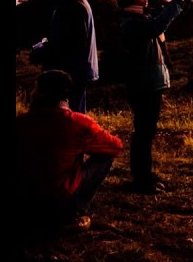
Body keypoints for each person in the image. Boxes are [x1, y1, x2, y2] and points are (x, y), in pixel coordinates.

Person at [16, 70, 123, 233]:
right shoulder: (78, 123)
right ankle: (74, 212)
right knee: (105, 156)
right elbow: (116, 146)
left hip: (25, 201)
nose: (32, 92)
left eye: (35, 88)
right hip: (60, 204)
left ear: (42, 93)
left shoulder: (22, 123)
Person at [115, 0, 193, 194]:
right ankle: (141, 178)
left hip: (149, 84)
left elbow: (157, 24)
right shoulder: (131, 23)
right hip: (143, 85)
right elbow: (156, 26)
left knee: (147, 131)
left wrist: (180, 4)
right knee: (143, 132)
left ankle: (145, 174)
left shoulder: (140, 20)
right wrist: (176, 5)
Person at [31, 0, 99, 113]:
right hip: (74, 70)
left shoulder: (74, 4)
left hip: (71, 71)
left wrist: (44, 51)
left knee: (70, 117)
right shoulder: (69, 1)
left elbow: (75, 42)